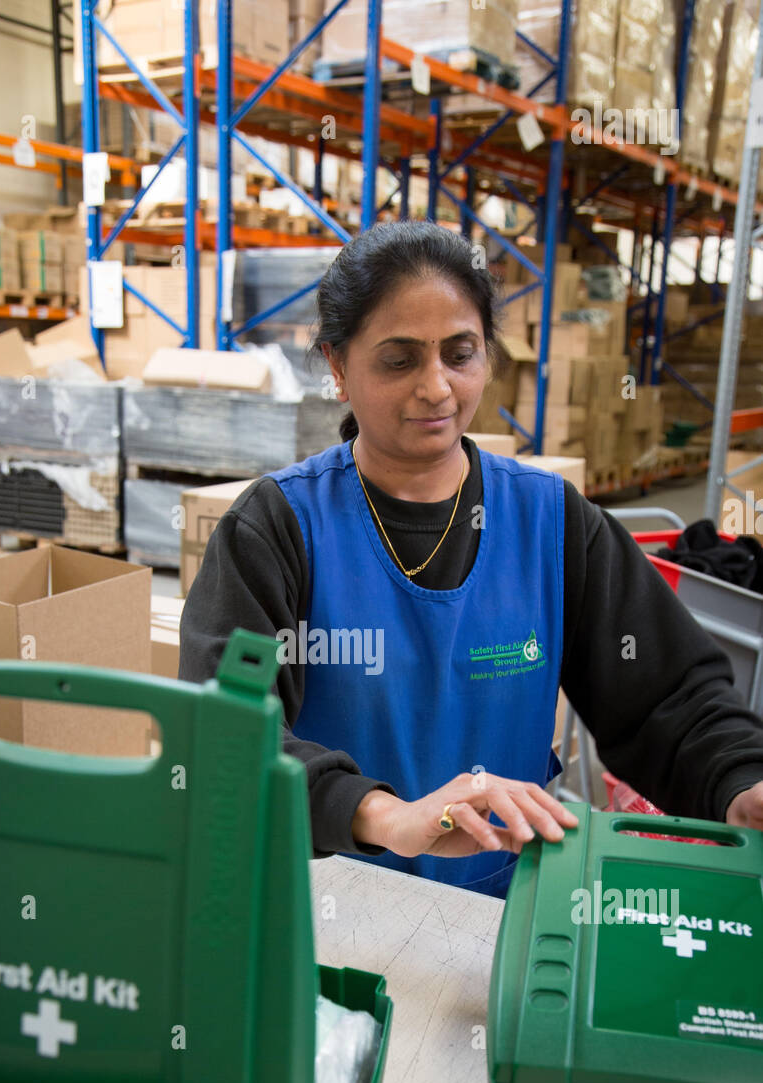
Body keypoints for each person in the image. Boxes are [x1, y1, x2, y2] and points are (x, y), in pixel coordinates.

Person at [179, 219, 763, 899]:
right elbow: (224, 735)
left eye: (460, 354)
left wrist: (739, 781)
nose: (437, 388)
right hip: (325, 917)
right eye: (399, 360)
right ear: (339, 366)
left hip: (498, 917)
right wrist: (384, 814)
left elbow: (671, 698)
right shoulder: (277, 529)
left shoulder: (553, 523)